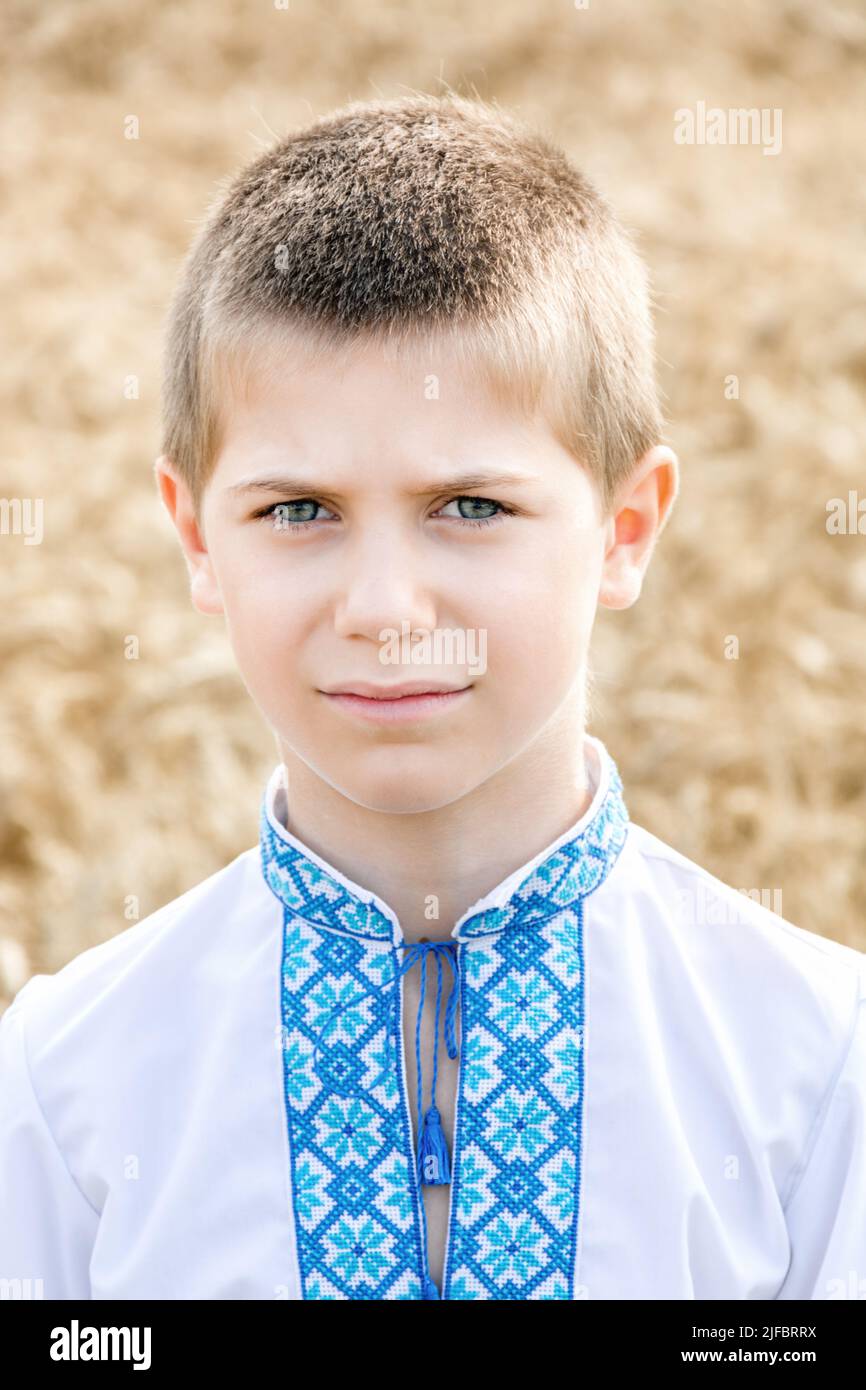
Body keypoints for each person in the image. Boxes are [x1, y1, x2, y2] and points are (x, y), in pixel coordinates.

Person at [1, 92, 863, 1302]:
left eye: (470, 506)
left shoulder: (816, 1064)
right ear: (197, 537)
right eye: (297, 511)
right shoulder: (65, 1081)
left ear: (625, 529)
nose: (386, 608)